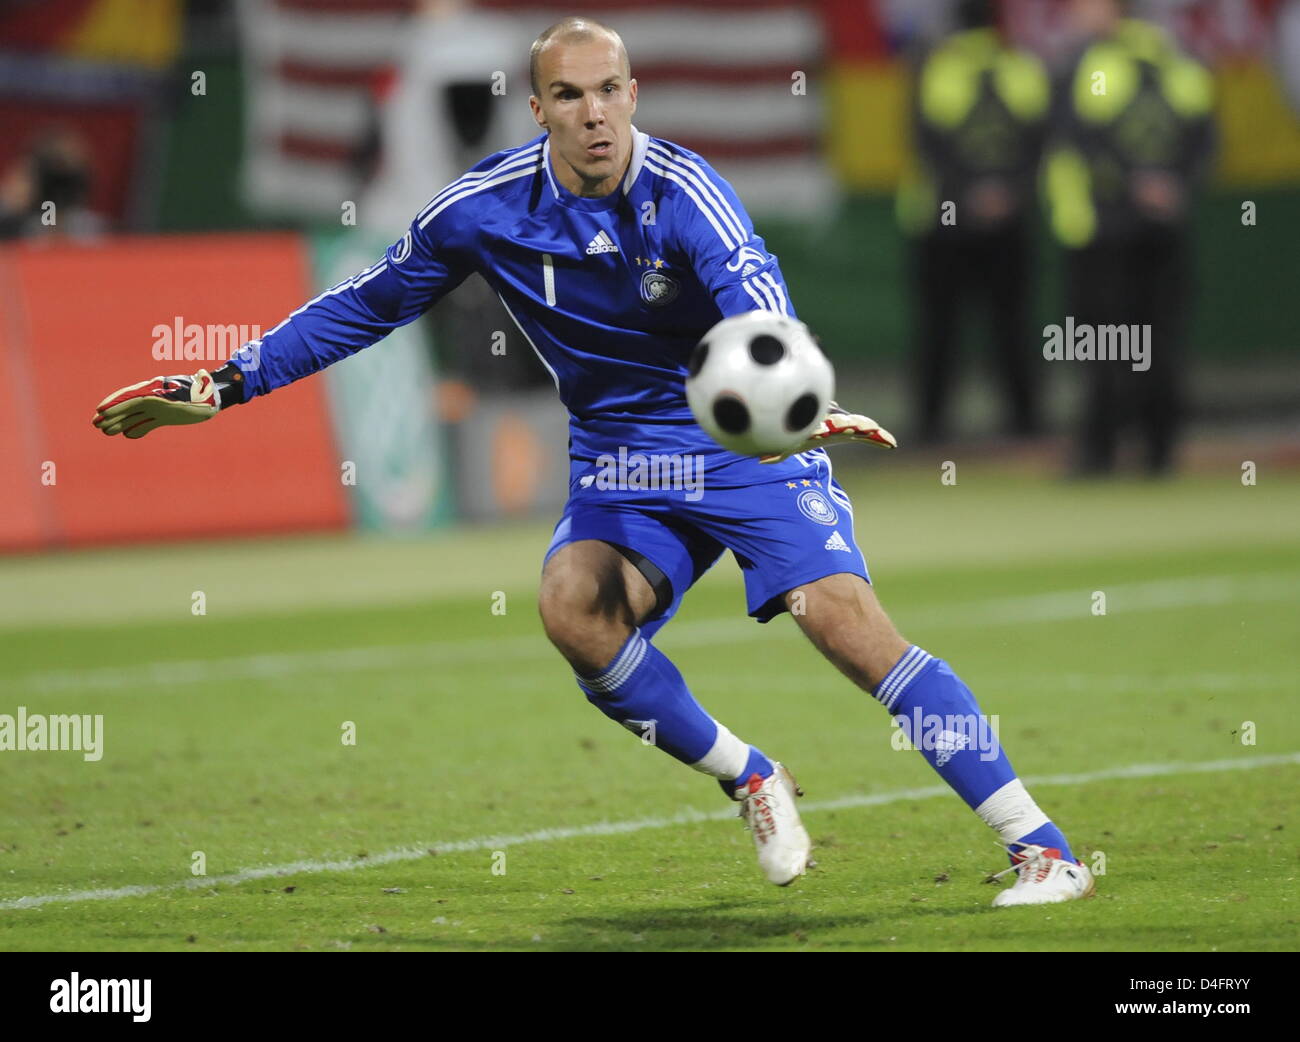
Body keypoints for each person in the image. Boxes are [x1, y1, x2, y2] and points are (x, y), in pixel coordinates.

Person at [93, 17, 1093, 905]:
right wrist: (223, 384)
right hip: (622, 458)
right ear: (538, 110)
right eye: (568, 95)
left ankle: (1042, 850)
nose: (593, 113)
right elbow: (366, 304)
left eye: (608, 90)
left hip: (738, 440)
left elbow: (757, 300)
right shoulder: (480, 210)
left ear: (632, 96)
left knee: (844, 625)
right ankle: (750, 775)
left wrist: (798, 394)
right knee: (572, 605)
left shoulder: (687, 191)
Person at [1045, 0, 1214, 476]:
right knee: (1158, 340)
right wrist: (1170, 185)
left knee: (1103, 344)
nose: (1075, 12)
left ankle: (1100, 451)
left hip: (1101, 230)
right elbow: (1202, 137)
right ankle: (1159, 452)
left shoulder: (1090, 63)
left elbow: (1083, 137)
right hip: (1163, 225)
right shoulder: (1177, 58)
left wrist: (1138, 184)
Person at [897, 0, 1049, 444]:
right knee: (1012, 326)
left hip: (941, 223)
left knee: (939, 331)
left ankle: (929, 430)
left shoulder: (934, 67)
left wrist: (969, 194)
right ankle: (1026, 428)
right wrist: (1005, 191)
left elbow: (927, 142)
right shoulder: (1023, 68)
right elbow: (1038, 142)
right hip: (1010, 219)